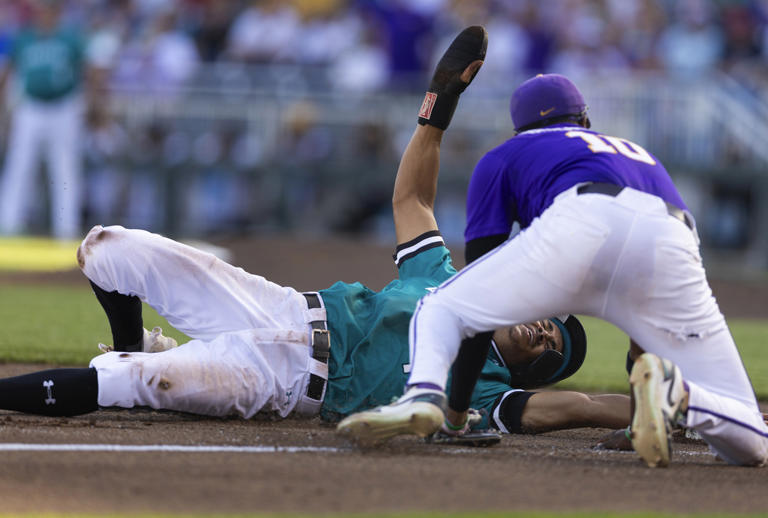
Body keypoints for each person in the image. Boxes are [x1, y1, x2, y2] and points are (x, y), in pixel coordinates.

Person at [0, 27, 628, 439]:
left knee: (129, 387)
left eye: (553, 350)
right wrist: (437, 107)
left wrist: (667, 410)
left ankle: (128, 367)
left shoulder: (485, 391)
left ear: (535, 373)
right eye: (554, 322)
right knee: (108, 247)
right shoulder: (451, 282)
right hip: (288, 308)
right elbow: (411, 198)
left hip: (282, 381)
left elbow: (578, 408)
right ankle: (130, 346)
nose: (547, 331)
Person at [338, 66, 768, 467]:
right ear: (584, 119)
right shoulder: (638, 154)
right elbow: (645, 307)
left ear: (520, 128)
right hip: (674, 237)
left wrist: (456, 415)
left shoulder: (508, 154)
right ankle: (679, 395)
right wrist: (642, 409)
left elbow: (479, 286)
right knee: (750, 444)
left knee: (442, 306)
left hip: (580, 218)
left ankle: (424, 396)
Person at [0, 0, 90, 240]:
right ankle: (9, 224)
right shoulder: (25, 38)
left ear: (58, 12)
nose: (46, 14)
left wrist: (89, 105)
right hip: (31, 106)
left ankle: (66, 229)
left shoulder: (70, 38)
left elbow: (87, 72)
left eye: (50, 9)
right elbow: (9, 70)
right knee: (19, 165)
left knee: (63, 168)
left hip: (63, 106)